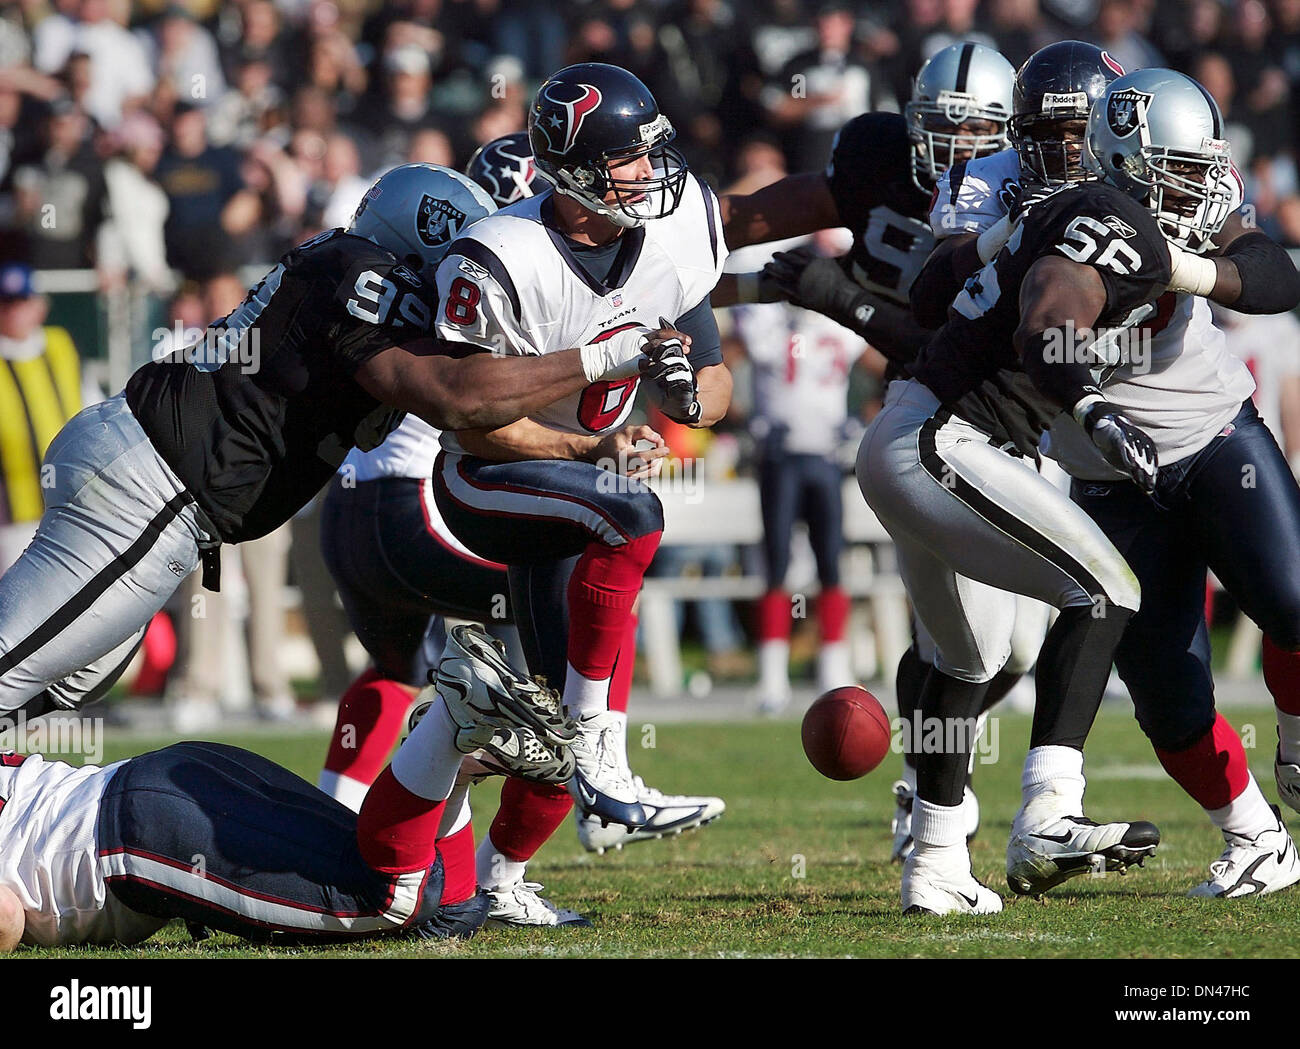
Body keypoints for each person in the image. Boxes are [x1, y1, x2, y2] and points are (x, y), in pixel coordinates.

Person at [0, 160, 674, 753]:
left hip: (153, 482)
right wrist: (607, 353)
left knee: (66, 679)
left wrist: (588, 446)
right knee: (15, 664)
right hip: (152, 486)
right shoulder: (362, 273)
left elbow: (470, 422)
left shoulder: (351, 270)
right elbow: (453, 397)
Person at [919, 64, 1300, 898]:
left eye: (1073, 131)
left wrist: (1183, 268)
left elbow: (1273, 272)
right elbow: (936, 282)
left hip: (1208, 430)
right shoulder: (991, 182)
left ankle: (1295, 737)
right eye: (1045, 135)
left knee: (1295, 601)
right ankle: (1256, 838)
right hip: (1104, 469)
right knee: (1168, 695)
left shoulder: (1173, 166)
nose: (1059, 151)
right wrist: (1008, 238)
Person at [717, 41, 1024, 854]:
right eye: (943, 129)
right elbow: (754, 218)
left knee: (1017, 650)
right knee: (958, 638)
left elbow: (951, 333)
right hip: (924, 420)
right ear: (913, 125)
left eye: (980, 132)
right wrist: (675, 254)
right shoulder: (876, 163)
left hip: (1011, 410)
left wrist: (841, 300)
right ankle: (941, 817)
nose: (960, 149)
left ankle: (927, 780)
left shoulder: (1019, 196)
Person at [428, 65, 731, 869]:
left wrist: (685, 400)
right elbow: (469, 417)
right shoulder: (501, 255)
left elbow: (716, 379)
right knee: (631, 515)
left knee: (549, 710)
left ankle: (500, 877)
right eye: (629, 158)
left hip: (578, 485)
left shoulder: (672, 232)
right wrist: (588, 448)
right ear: (576, 170)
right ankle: (604, 752)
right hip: (484, 478)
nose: (649, 171)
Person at [0, 624, 565, 949]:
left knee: (394, 901)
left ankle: (447, 724)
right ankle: (450, 753)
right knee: (447, 911)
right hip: (166, 779)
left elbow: (7, 917)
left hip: (128, 841)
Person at [0, 261, 92, 574]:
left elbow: (93, 408)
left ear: (39, 306)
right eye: (6, 303)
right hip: (13, 512)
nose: (14, 312)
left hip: (71, 504)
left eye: (21, 302)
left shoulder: (60, 345)